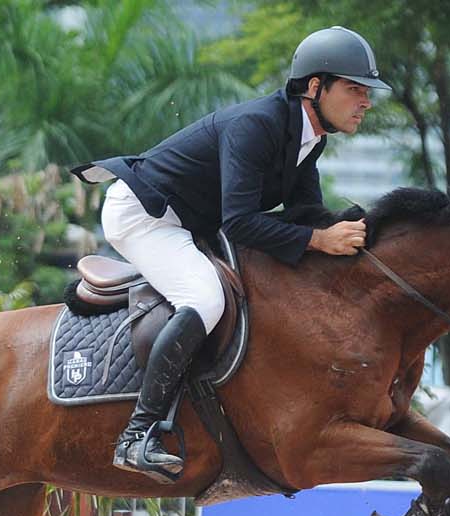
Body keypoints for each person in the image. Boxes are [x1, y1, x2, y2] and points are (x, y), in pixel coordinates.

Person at [74, 26, 389, 480]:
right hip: (145, 214)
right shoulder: (257, 125)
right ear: (315, 87)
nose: (366, 101)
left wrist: (365, 229)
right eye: (356, 89)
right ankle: (136, 435)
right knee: (205, 298)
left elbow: (306, 213)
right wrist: (319, 240)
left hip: (187, 220)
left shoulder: (309, 139)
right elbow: (238, 222)